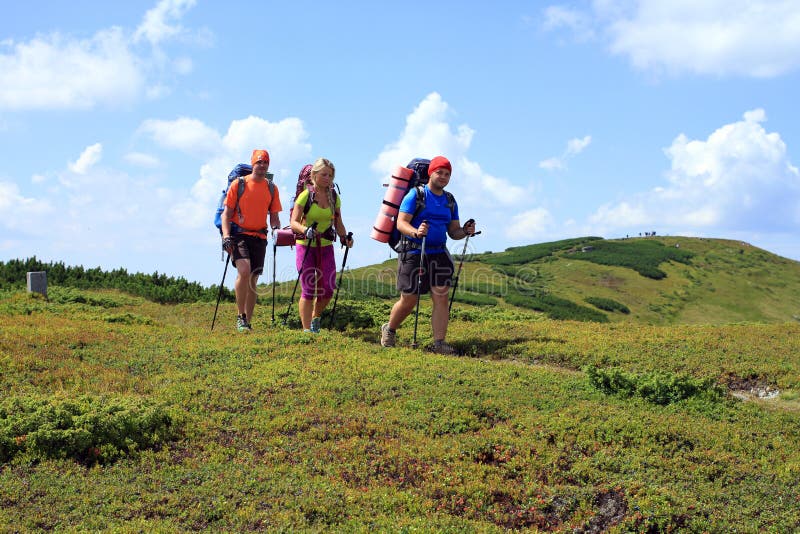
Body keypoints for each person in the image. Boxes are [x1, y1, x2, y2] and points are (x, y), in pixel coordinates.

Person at [380, 156, 476, 354]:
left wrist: (465, 231)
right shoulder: (415, 195)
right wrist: (416, 232)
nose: (443, 177)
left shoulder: (450, 200)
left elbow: (453, 231)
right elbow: (401, 223)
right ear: (431, 173)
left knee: (441, 297)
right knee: (409, 299)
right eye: (439, 172)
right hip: (414, 251)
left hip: (439, 252)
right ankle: (389, 329)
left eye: (447, 174)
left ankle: (439, 343)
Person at [289, 158, 353, 333]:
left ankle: (315, 319)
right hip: (305, 245)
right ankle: (306, 330)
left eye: (330, 175)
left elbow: (338, 222)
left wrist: (344, 237)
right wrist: (305, 229)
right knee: (308, 289)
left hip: (325, 246)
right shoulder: (305, 196)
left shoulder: (334, 197)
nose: (327, 178)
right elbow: (293, 222)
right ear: (314, 175)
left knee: (328, 289)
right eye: (324, 174)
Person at [220, 149, 282, 332]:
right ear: (253, 164)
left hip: (260, 236)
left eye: (265, 163)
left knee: (253, 278)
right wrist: (226, 236)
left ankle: (247, 320)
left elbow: (274, 216)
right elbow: (226, 215)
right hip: (239, 235)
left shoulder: (271, 188)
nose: (262, 166)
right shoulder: (239, 185)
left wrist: (276, 230)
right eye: (259, 162)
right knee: (244, 271)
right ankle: (240, 316)